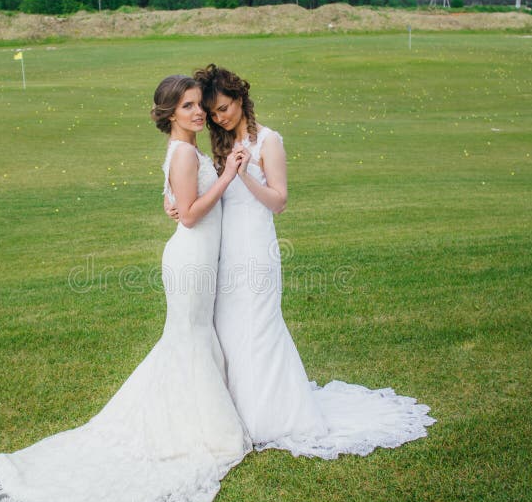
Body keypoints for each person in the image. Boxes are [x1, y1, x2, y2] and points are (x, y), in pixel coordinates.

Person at [0, 75, 252, 502]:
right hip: (191, 257)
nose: (198, 112)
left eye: (199, 105)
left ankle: (192, 416)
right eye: (188, 106)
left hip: (194, 257)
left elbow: (175, 202)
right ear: (171, 113)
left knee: (190, 335)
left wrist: (177, 201)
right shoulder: (187, 152)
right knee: (189, 335)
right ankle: (195, 427)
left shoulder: (180, 151)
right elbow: (189, 215)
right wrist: (228, 174)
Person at [167, 64, 435, 459]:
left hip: (257, 247)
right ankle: (236, 411)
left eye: (224, 108)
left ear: (241, 100)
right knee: (229, 329)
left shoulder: (268, 141)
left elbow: (280, 201)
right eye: (214, 111)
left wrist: (242, 176)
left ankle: (269, 416)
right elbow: (195, 185)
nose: (219, 117)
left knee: (260, 327)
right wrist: (173, 200)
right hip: (224, 251)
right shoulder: (220, 145)